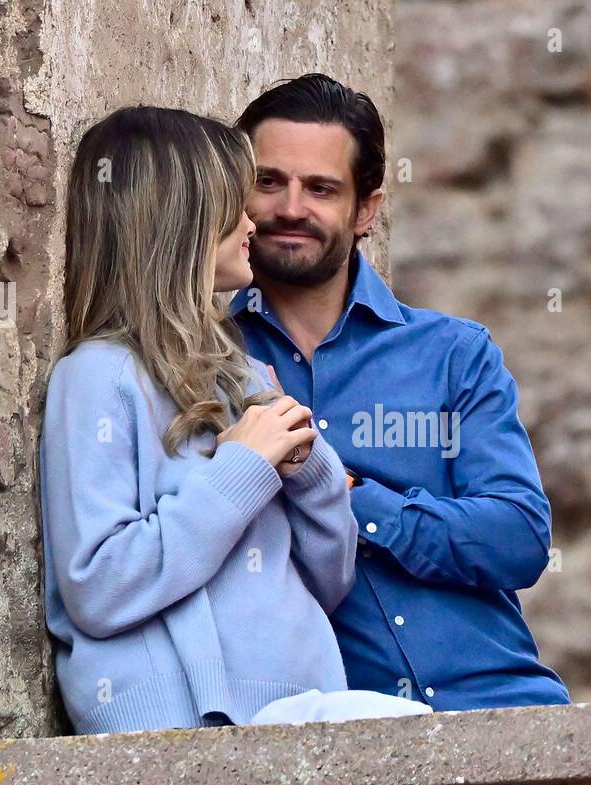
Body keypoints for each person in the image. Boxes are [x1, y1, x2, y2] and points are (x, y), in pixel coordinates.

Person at [37, 106, 433, 733]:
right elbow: (100, 586)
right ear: (181, 226)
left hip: (300, 706)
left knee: (424, 747)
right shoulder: (97, 377)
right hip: (183, 721)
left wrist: (307, 472)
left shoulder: (242, 375)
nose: (255, 222)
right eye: (234, 208)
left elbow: (328, 580)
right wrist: (242, 469)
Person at [231, 75, 572, 711]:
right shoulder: (206, 361)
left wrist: (349, 497)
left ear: (366, 209)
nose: (290, 208)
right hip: (334, 732)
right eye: (269, 181)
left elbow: (520, 538)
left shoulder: (453, 356)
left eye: (321, 188)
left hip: (500, 703)